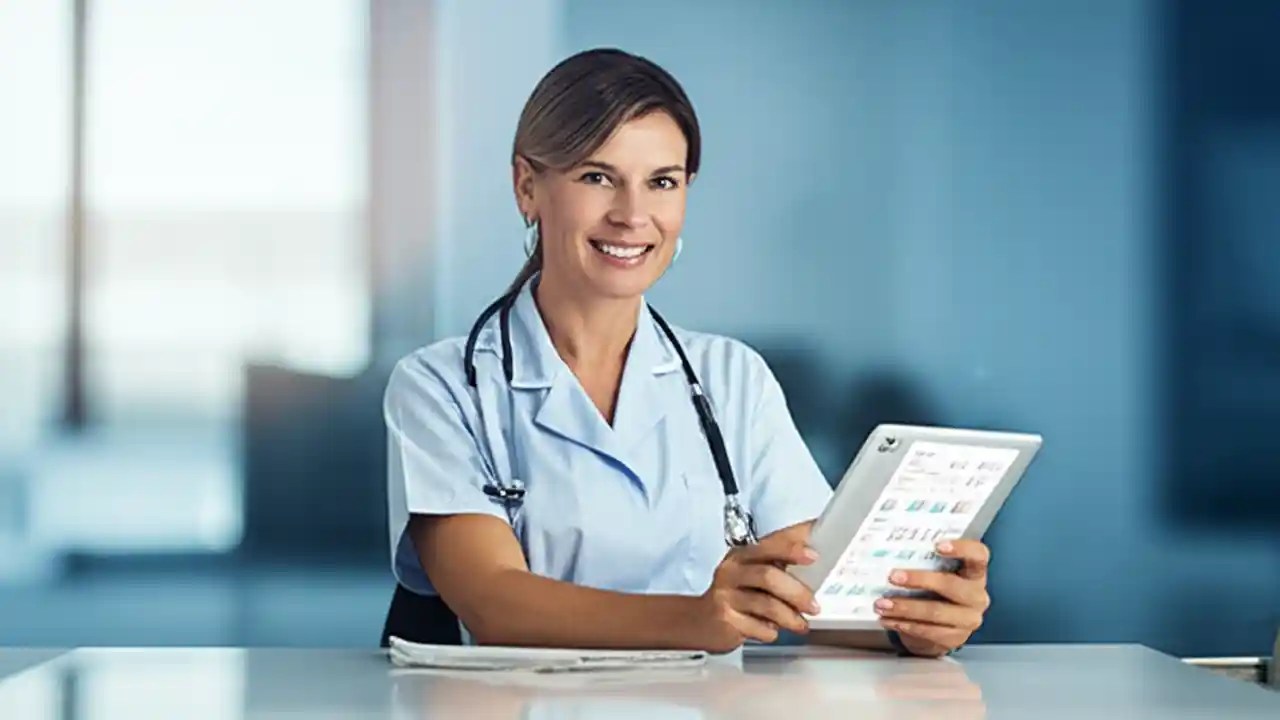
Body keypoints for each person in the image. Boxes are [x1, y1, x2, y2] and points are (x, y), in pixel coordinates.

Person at [383, 48, 991, 657]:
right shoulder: (442, 386)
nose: (632, 215)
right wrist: (698, 618)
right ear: (527, 187)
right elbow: (494, 602)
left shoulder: (732, 378)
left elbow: (815, 590)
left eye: (662, 182)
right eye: (598, 177)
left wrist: (912, 621)